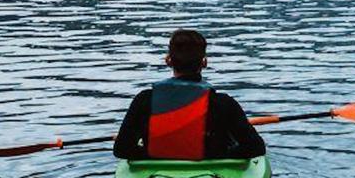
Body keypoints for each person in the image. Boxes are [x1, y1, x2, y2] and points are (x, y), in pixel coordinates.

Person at [114, 30, 268, 161]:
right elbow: (255, 148)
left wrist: (151, 155)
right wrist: (217, 154)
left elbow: (122, 149)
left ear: (168, 61)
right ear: (204, 62)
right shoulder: (223, 103)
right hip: (213, 171)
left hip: (155, 170)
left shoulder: (145, 99)